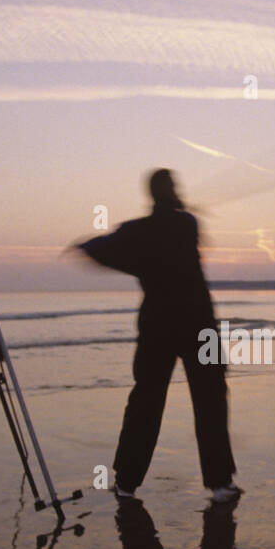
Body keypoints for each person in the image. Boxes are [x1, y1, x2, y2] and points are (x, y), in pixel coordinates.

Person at [76, 169, 241, 503]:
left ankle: (126, 483)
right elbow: (174, 229)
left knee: (147, 401)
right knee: (209, 399)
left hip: (158, 326)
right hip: (198, 324)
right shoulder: (187, 224)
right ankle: (220, 483)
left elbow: (97, 247)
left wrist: (125, 257)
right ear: (172, 191)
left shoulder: (137, 232)